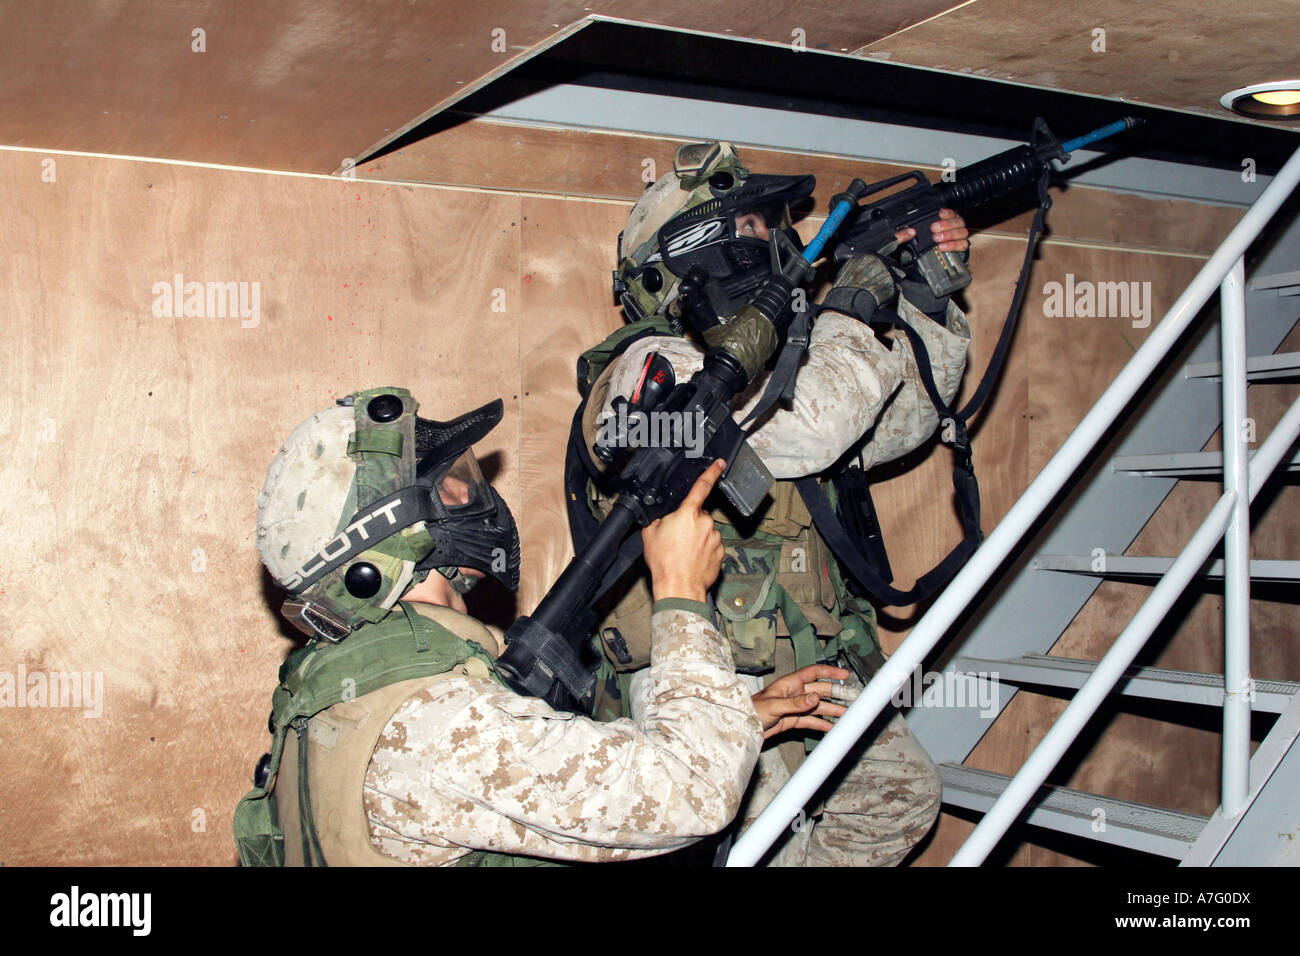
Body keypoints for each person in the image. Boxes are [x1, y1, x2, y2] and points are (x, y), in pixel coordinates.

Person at [572, 142, 974, 865]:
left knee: (900, 798)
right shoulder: (647, 367)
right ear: (685, 257)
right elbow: (816, 424)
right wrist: (848, 310)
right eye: (750, 229)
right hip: (699, 680)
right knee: (762, 848)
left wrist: (926, 300)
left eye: (771, 227)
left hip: (800, 653)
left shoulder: (780, 363)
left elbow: (899, 427)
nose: (775, 242)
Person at [235, 385, 805, 866]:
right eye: (448, 486)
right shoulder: (433, 722)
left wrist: (736, 723)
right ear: (385, 543)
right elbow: (696, 793)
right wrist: (681, 589)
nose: (470, 496)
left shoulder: (351, 696)